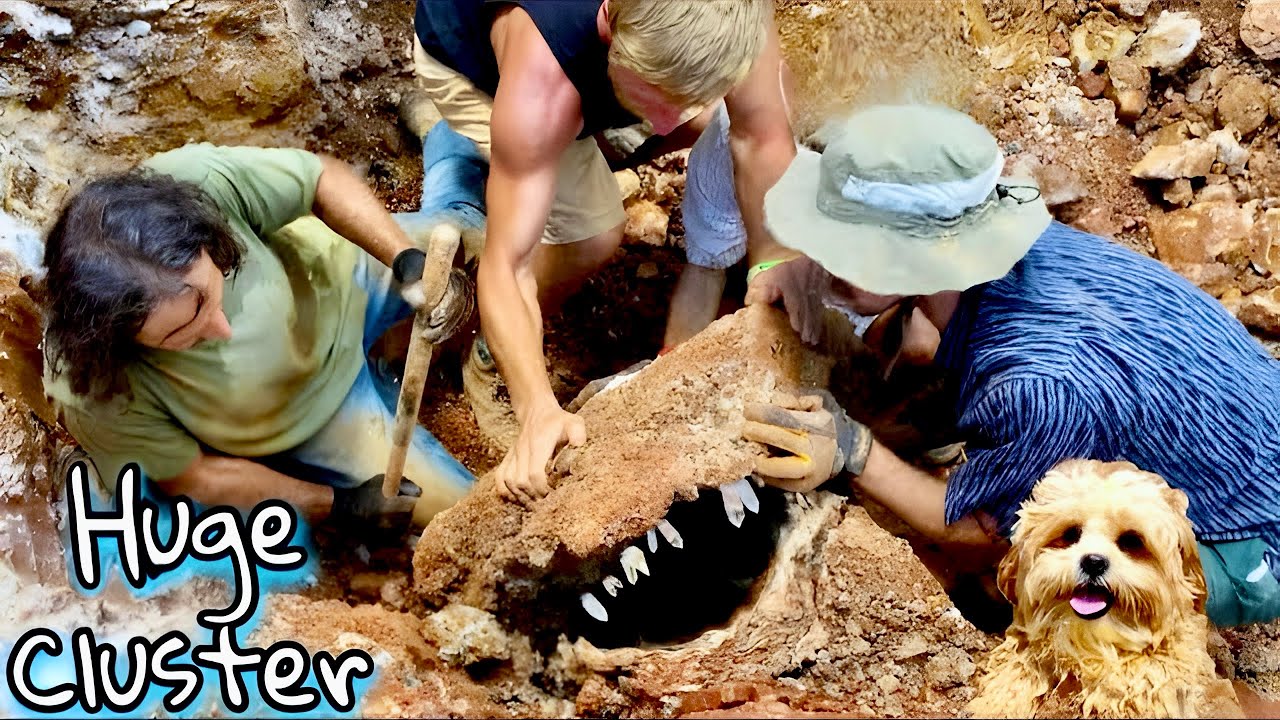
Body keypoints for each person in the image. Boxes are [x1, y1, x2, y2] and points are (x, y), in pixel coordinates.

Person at [743, 104, 1280, 628]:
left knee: (1029, 586)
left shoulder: (1034, 385)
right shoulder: (1007, 248)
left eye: (846, 250)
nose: (827, 259)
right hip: (1253, 410)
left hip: (1251, 530)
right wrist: (800, 267)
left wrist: (850, 449)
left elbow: (973, 528)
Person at [408, 0, 800, 503]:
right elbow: (510, 266)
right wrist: (537, 410)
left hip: (585, 83)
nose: (663, 128)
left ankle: (567, 146)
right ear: (608, 23)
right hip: (464, 62)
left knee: (707, 119)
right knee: (591, 235)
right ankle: (486, 354)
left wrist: (774, 256)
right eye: (654, 95)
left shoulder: (735, 17)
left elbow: (762, 135)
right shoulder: (541, 69)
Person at [41, 124, 488, 529]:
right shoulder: (92, 389)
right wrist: (340, 504)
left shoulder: (192, 183)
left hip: (348, 272)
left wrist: (403, 257)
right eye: (179, 334)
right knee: (465, 516)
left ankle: (450, 133)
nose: (221, 328)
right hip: (318, 418)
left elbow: (320, 179)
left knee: (481, 240)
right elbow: (195, 478)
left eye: (213, 293)